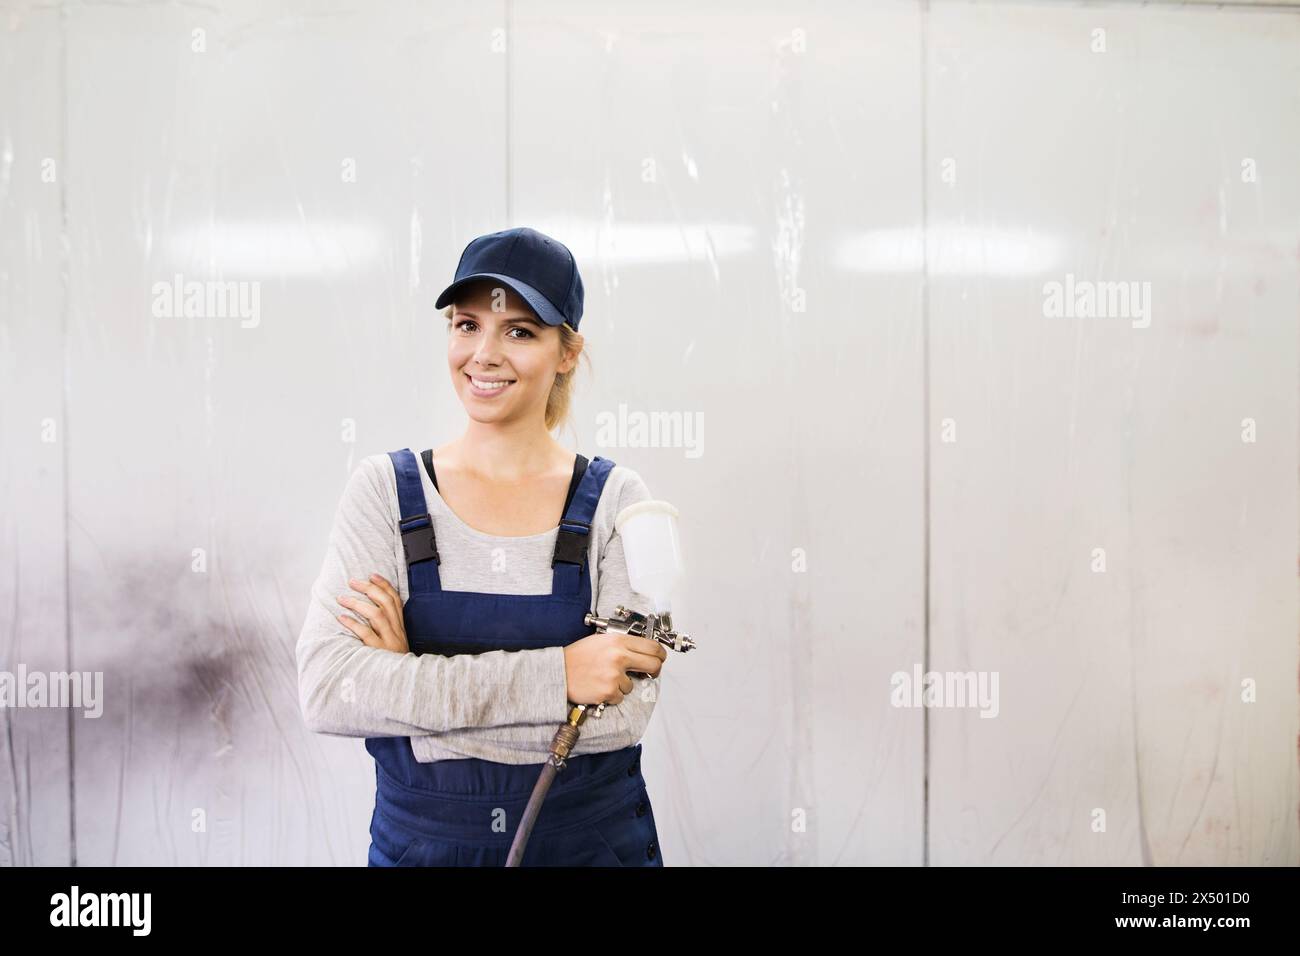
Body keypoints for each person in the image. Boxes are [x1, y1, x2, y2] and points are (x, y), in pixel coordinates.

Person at [295, 226, 668, 866]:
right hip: (424, 848)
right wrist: (562, 677)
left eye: (519, 332)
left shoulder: (620, 500)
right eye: (467, 325)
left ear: (567, 352)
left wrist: (409, 681)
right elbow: (331, 691)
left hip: (591, 847)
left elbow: (619, 718)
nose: (484, 354)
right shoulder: (384, 492)